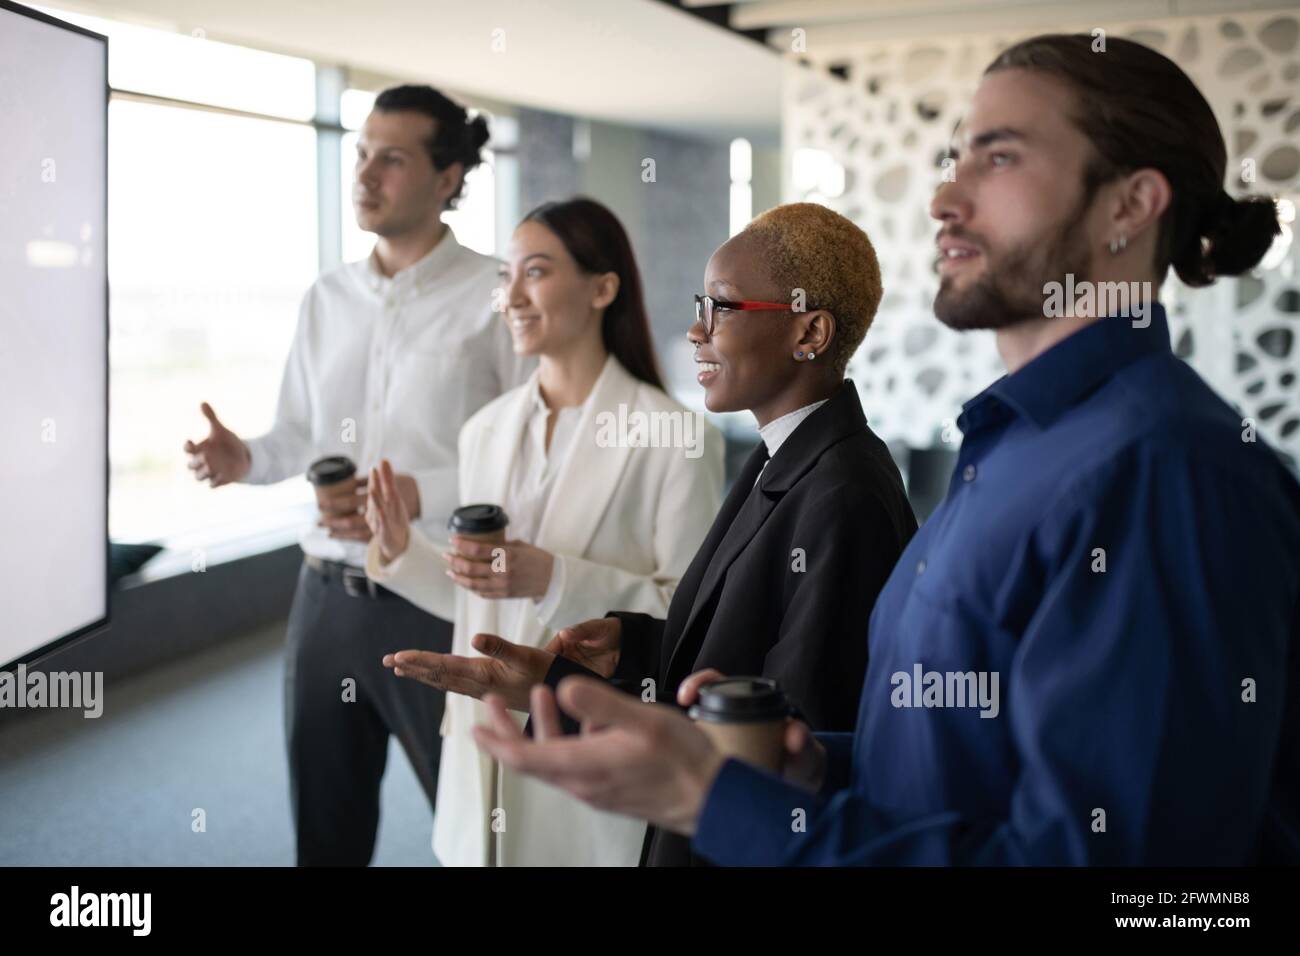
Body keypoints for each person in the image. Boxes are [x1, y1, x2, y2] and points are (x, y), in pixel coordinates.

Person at [470, 34, 1300, 866]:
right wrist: (817, 761)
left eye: (999, 157)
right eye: (954, 156)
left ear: (1130, 206)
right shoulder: (1013, 446)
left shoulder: (1165, 471)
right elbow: (963, 757)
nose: (945, 196)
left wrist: (722, 804)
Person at [382, 202, 918, 865]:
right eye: (702, 303)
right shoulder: (780, 455)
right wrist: (630, 644)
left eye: (723, 307)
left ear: (809, 331)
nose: (696, 330)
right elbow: (734, 652)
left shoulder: (844, 495)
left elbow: (790, 748)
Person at [183, 85, 528, 865]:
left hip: (443, 600)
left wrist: (416, 498)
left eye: (392, 159)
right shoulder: (326, 297)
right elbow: (300, 434)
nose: (365, 174)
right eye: (363, 154)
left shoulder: (500, 298)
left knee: (478, 827)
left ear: (447, 179)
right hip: (325, 604)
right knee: (325, 832)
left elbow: (524, 458)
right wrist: (247, 460)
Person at [362, 198, 724, 866]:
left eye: (536, 272)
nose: (513, 296)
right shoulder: (484, 431)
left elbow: (691, 622)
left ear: (602, 288)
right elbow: (479, 603)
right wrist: (398, 549)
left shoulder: (677, 437)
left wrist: (554, 577)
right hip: (483, 748)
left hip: (589, 752)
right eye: (507, 277)